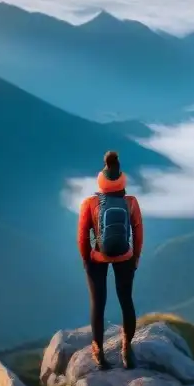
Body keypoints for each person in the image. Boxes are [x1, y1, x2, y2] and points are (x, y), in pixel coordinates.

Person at [77, 150, 144, 370]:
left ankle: (99, 354)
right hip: (125, 256)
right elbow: (137, 232)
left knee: (98, 304)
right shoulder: (131, 202)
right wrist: (134, 258)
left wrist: (87, 260)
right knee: (126, 301)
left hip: (97, 257)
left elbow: (82, 236)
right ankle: (126, 350)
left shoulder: (89, 203)